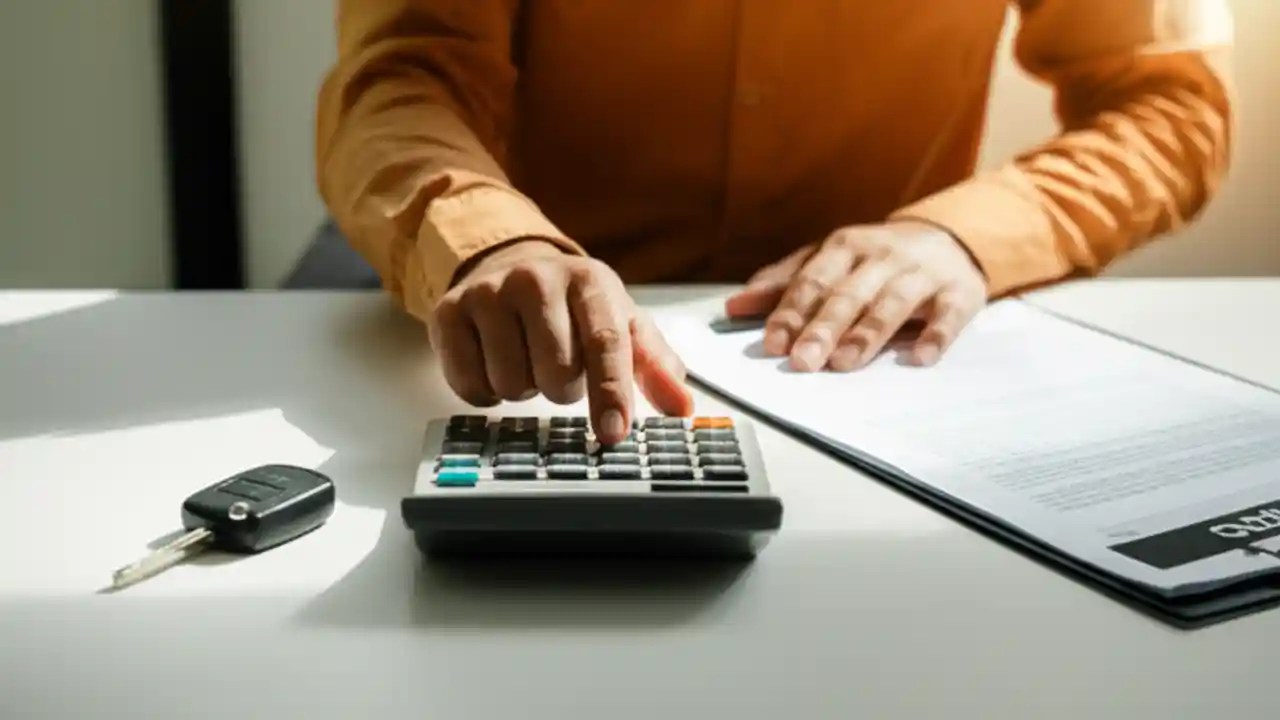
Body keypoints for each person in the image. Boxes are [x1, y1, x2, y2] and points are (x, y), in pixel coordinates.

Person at [315, 1, 1235, 444]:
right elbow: (402, 77)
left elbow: (1171, 108)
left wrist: (966, 236)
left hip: (865, 348)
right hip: (496, 301)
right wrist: (488, 238)